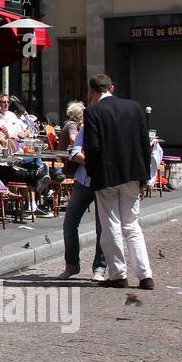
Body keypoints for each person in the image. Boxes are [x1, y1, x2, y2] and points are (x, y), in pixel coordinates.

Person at [83, 74, 154, 290]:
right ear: (111, 88)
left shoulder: (93, 112)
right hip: (132, 173)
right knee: (132, 224)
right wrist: (145, 175)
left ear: (92, 91)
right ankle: (145, 275)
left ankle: (118, 274)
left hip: (106, 175)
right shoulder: (134, 107)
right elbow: (144, 143)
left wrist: (92, 172)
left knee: (111, 225)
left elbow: (92, 147)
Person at [58, 104, 107, 281]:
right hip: (83, 180)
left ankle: (100, 268)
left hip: (103, 182)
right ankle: (71, 265)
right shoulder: (85, 129)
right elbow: (74, 153)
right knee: (69, 223)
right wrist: (93, 162)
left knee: (102, 227)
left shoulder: (110, 130)